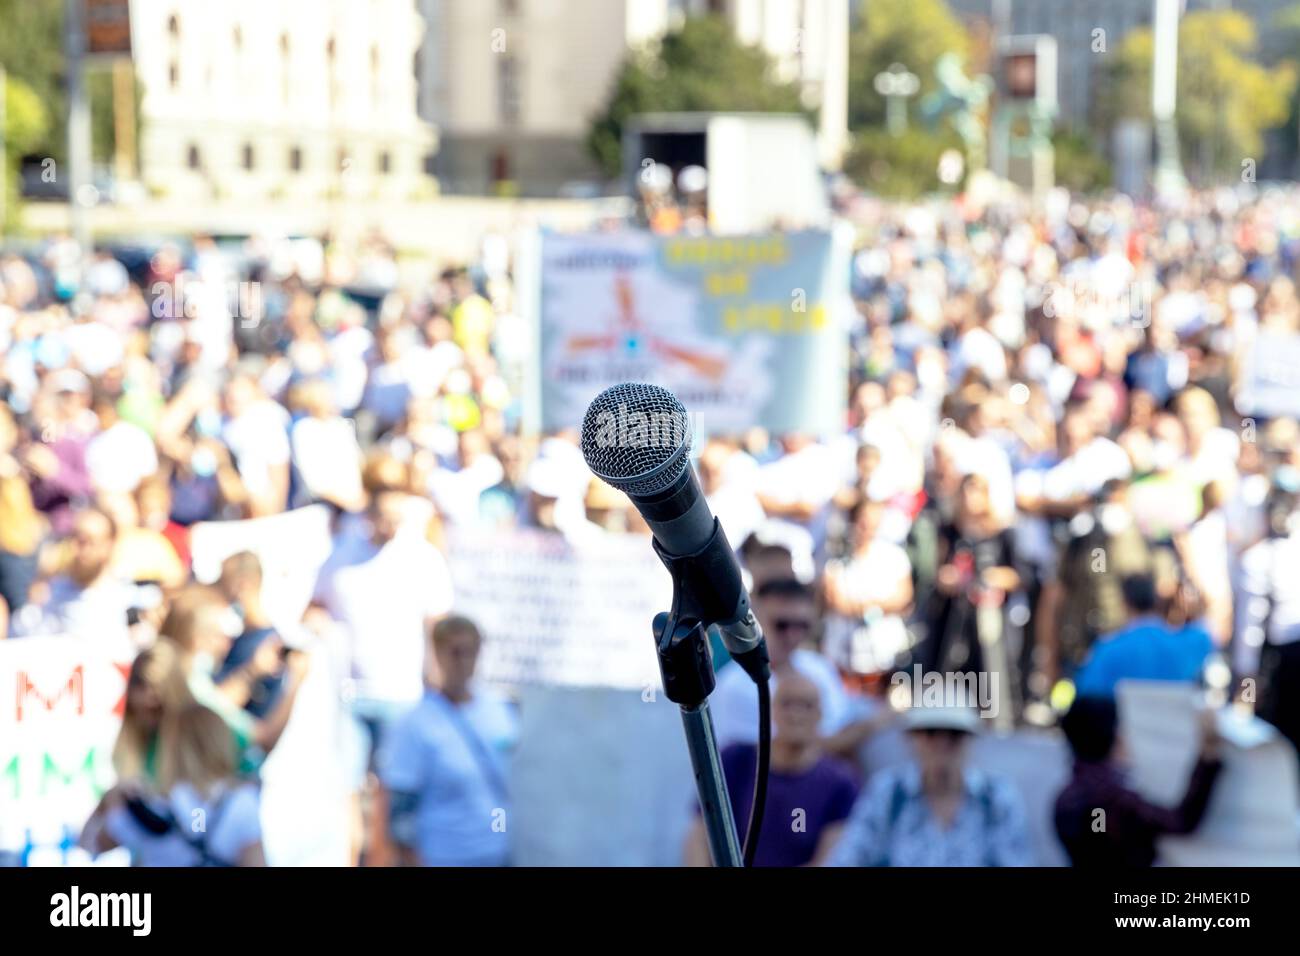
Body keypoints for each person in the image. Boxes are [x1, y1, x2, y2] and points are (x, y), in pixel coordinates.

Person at [380, 616, 517, 866]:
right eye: (455, 652)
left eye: (470, 652)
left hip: (494, 853)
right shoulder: (416, 723)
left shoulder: (499, 712)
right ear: (439, 654)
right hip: (444, 855)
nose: (463, 662)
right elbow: (401, 810)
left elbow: (504, 788)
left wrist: (500, 836)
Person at [684, 672, 859, 867]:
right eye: (787, 704)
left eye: (807, 705)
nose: (796, 714)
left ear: (820, 714)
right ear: (771, 710)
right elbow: (700, 833)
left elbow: (829, 859)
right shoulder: (735, 761)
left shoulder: (840, 782)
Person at [827, 702, 1032, 867]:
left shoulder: (996, 796)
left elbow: (1016, 860)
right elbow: (849, 857)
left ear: (969, 740)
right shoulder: (889, 792)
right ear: (913, 738)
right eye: (931, 732)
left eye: (954, 734)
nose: (941, 743)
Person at [82, 703, 265, 866]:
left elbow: (88, 843)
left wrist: (110, 798)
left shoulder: (152, 803)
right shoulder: (242, 802)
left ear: (172, 745)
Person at [1054, 696, 1223, 867]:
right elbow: (1180, 821)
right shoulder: (1112, 799)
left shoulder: (1065, 798)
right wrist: (1207, 755)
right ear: (1115, 737)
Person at [1073, 572, 1213, 698]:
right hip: (1175, 725)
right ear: (1156, 600)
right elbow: (1207, 633)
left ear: (1125, 603)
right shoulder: (1188, 644)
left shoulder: (1107, 650)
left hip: (1124, 726)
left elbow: (1087, 695)